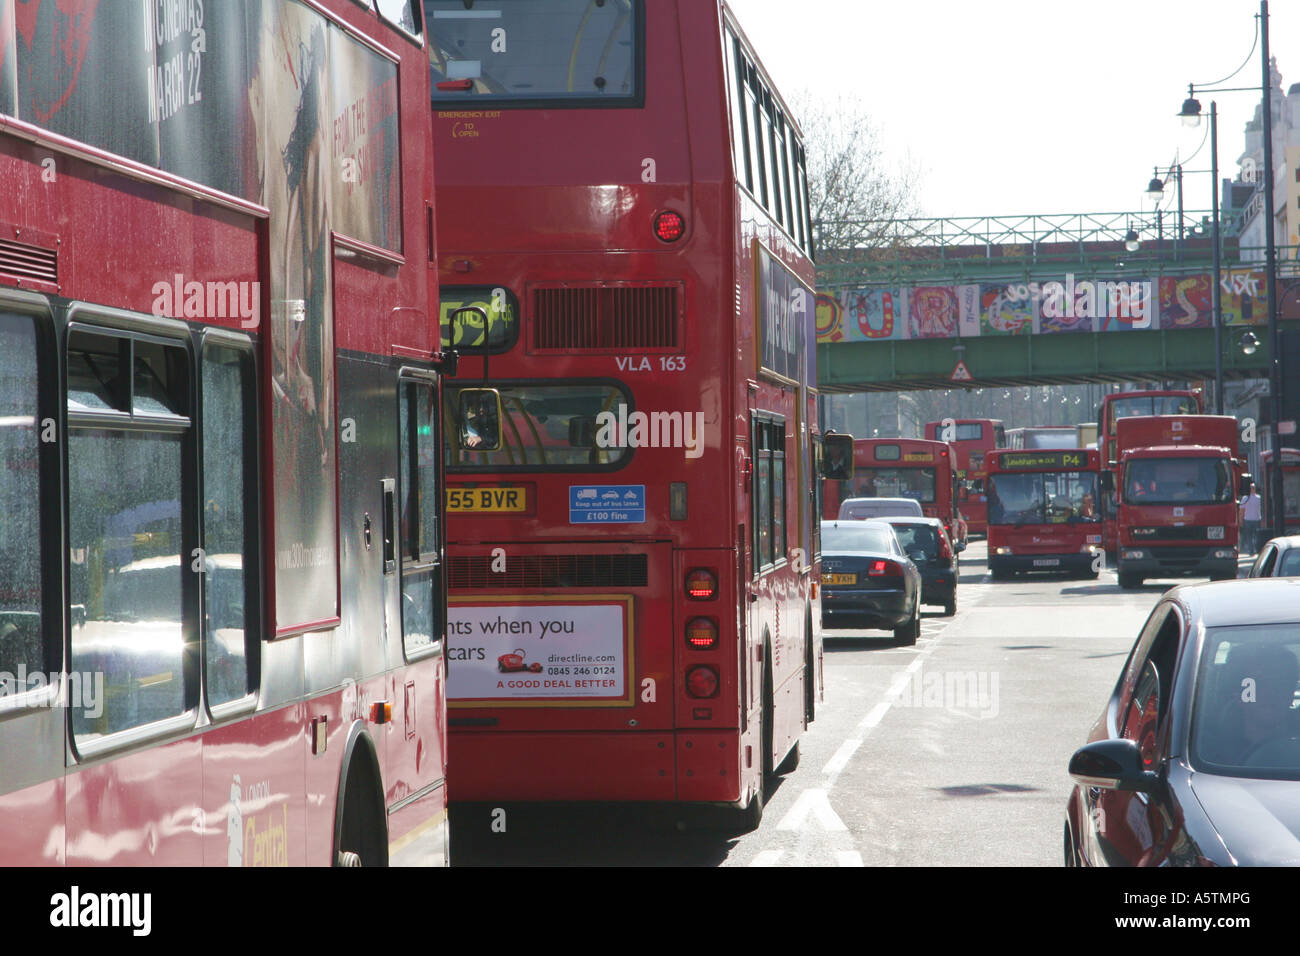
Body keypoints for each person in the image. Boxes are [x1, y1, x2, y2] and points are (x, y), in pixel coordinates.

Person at [1240, 482, 1262, 555]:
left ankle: (1251, 551)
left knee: (1249, 536)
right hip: (1257, 519)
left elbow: (1242, 510)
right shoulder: (1259, 498)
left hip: (1247, 520)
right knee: (1256, 536)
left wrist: (1241, 520)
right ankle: (1257, 549)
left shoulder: (1245, 498)